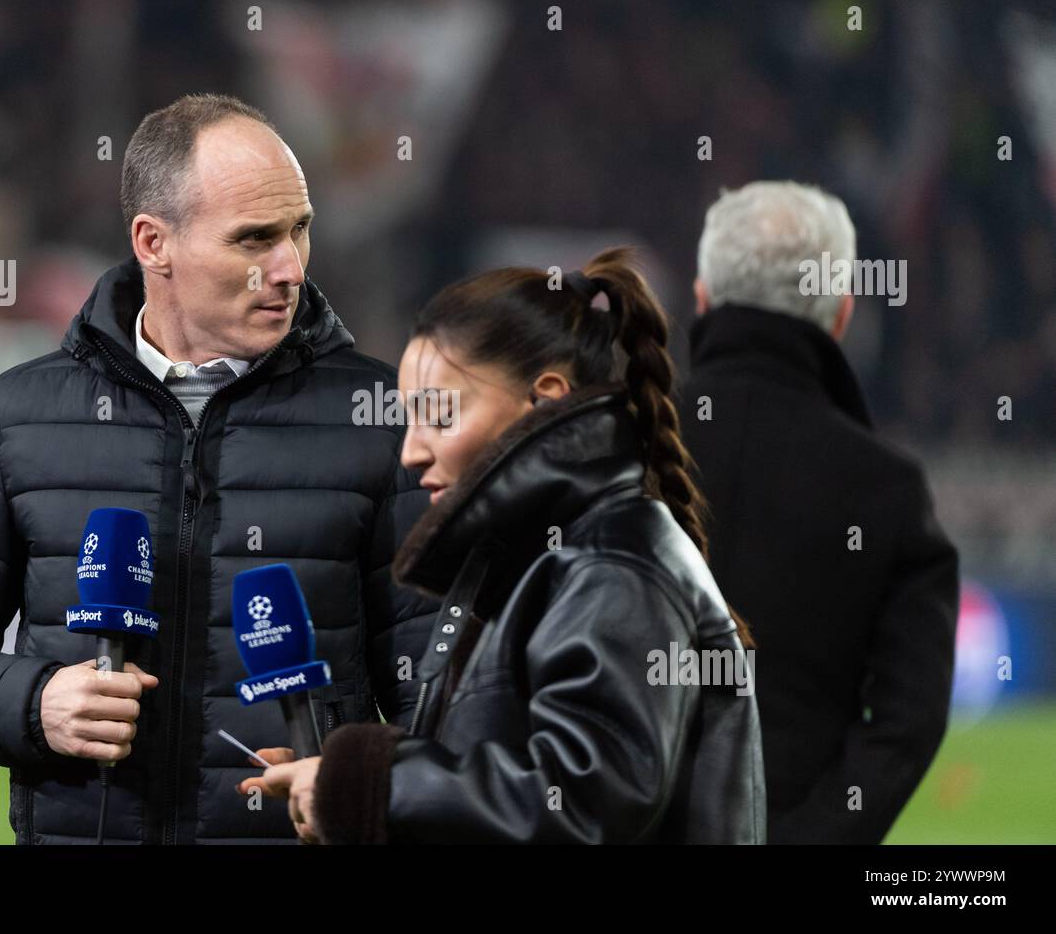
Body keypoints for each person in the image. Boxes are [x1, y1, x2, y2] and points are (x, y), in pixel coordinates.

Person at [0, 93, 436, 844]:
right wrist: (34, 702)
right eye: (254, 239)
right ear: (153, 242)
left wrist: (344, 757)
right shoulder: (20, 416)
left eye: (300, 230)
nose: (289, 267)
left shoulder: (379, 417)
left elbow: (442, 687)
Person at [243, 245, 766, 843]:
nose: (411, 452)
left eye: (438, 416)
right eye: (408, 421)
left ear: (544, 397)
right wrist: (344, 788)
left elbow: (586, 805)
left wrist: (380, 787)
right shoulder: (544, 560)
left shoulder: (607, 567)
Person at [678, 180, 959, 843]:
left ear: (701, 298)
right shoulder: (887, 490)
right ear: (841, 315)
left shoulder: (607, 448)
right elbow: (907, 720)